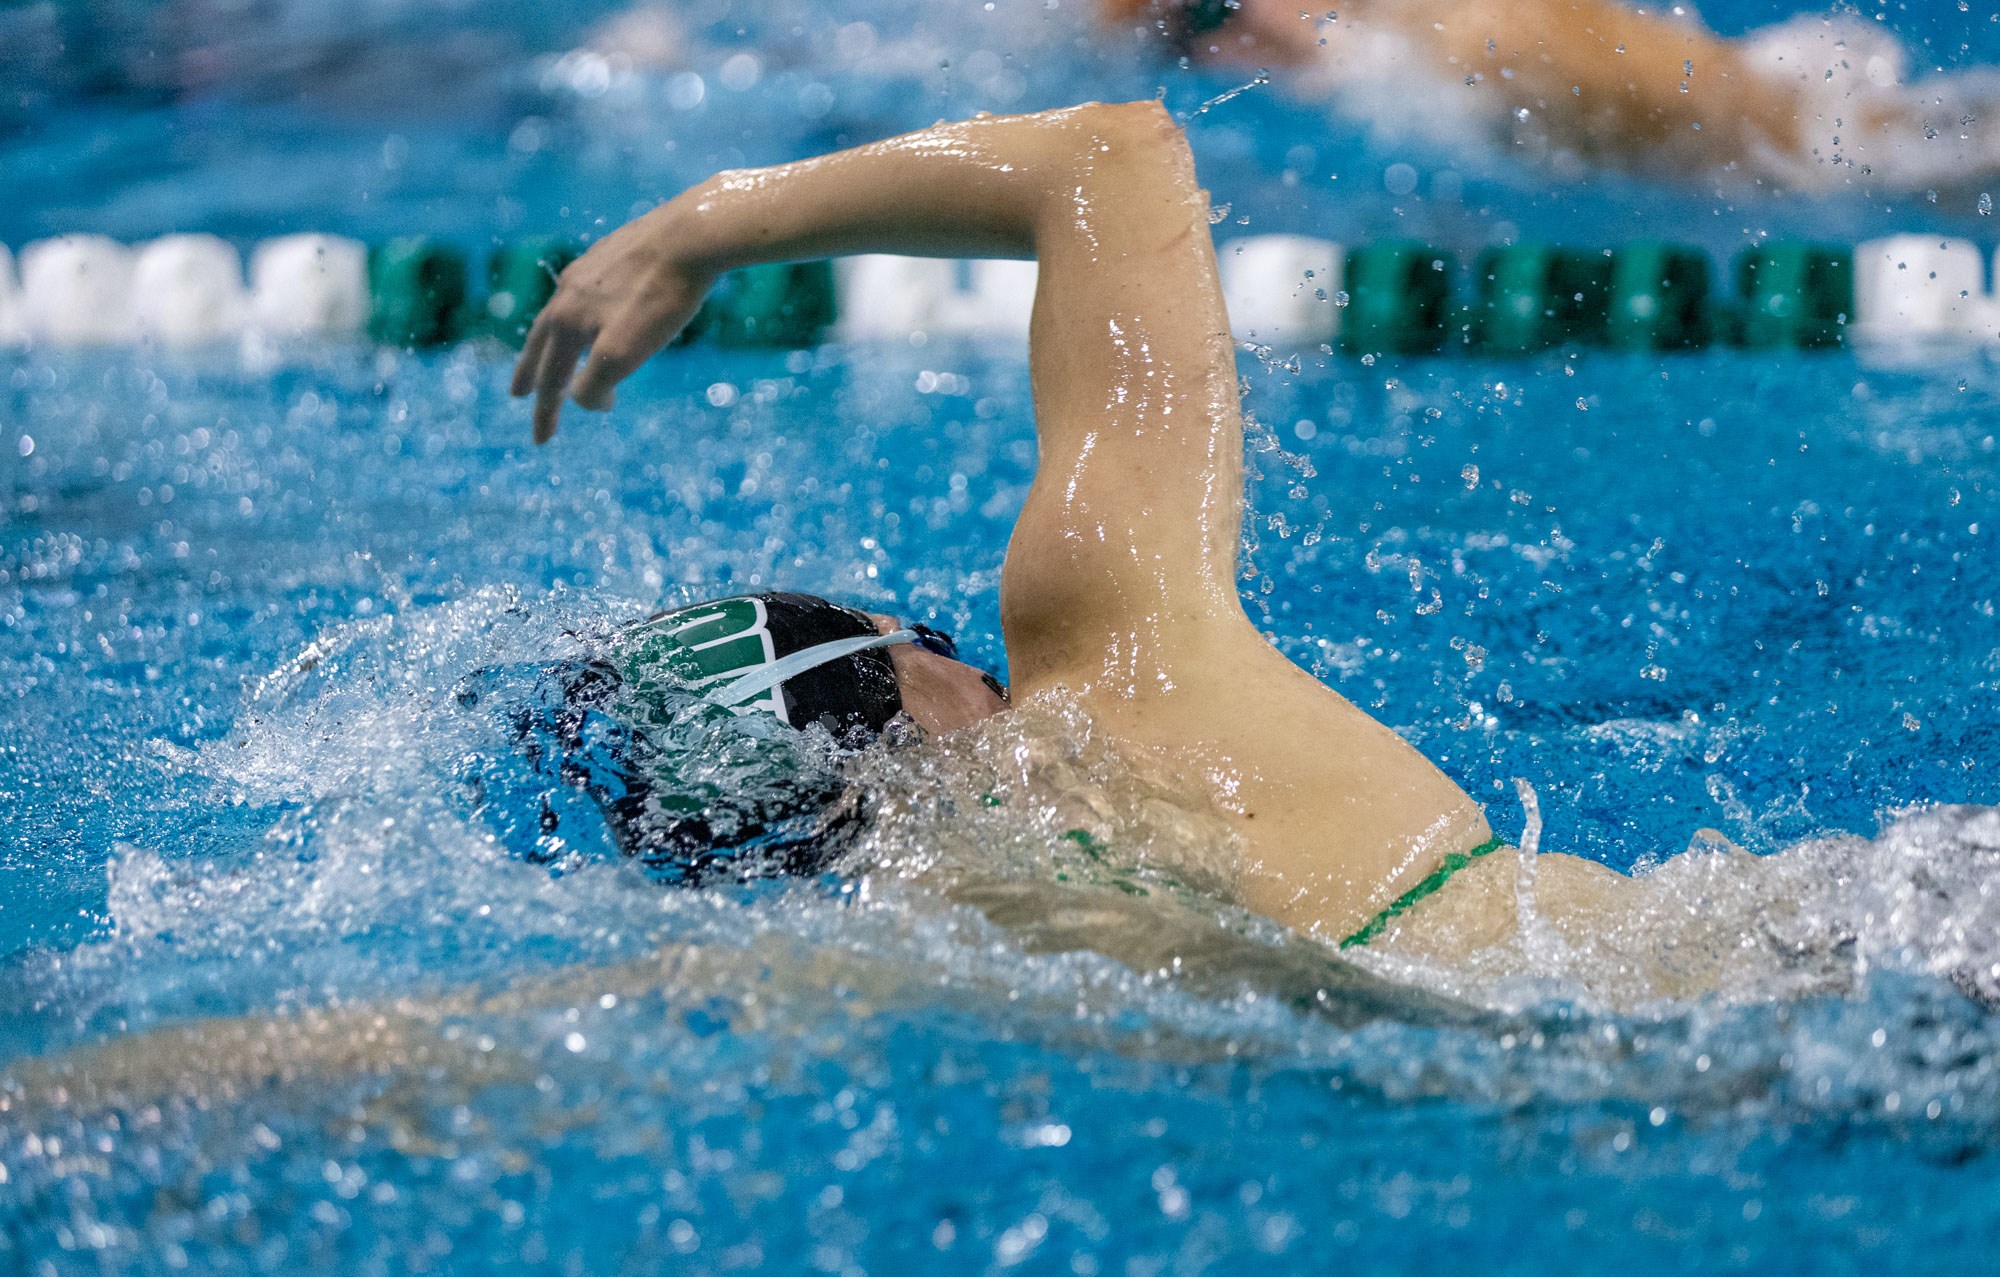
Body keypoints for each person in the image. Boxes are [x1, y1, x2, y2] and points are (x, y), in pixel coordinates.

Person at [509, 99, 1645, 962]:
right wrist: (698, 228)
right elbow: (1106, 157)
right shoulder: (1113, 653)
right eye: (917, 633)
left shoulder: (932, 947)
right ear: (893, 675)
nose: (964, 653)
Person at [1101, 0, 2000, 195]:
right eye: (1183, 38)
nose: (1220, 54)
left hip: (1875, 152)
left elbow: (1817, 138)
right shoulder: (1378, 66)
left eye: (1216, 7)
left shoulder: (1492, 38)